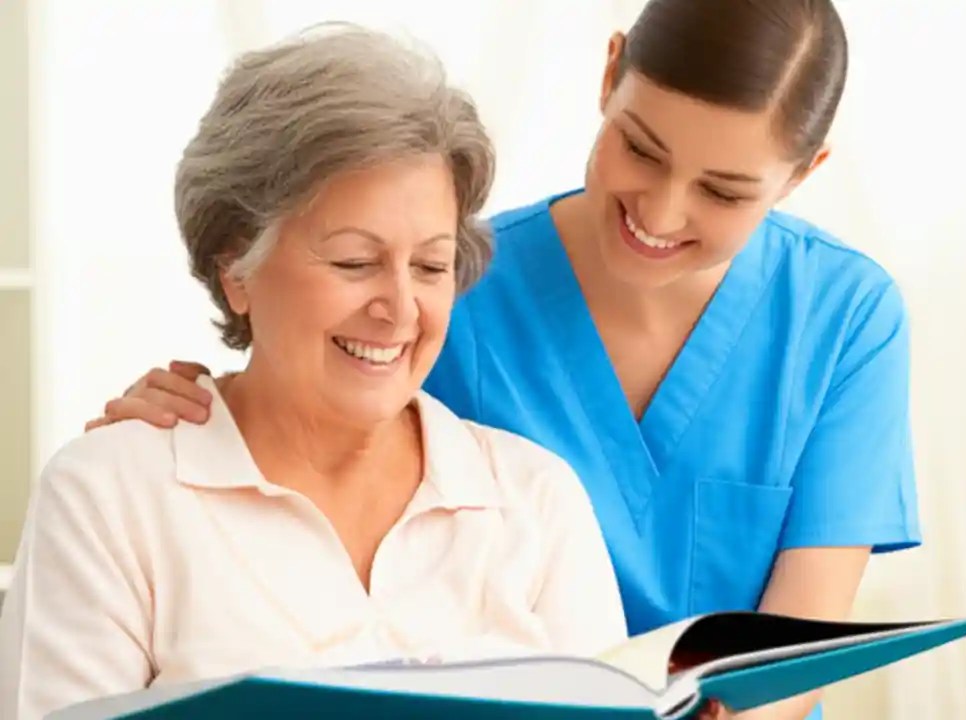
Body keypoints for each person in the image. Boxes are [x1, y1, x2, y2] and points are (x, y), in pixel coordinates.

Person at [87, 1, 922, 717]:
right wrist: (193, 419)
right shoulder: (452, 285)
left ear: (803, 174)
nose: (661, 212)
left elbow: (793, 654)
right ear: (609, 75)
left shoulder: (846, 318)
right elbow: (318, 416)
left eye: (725, 192)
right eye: (641, 148)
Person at [0, 26, 631, 720]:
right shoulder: (110, 499)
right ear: (236, 270)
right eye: (355, 262)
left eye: (429, 266)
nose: (399, 310)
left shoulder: (536, 504)